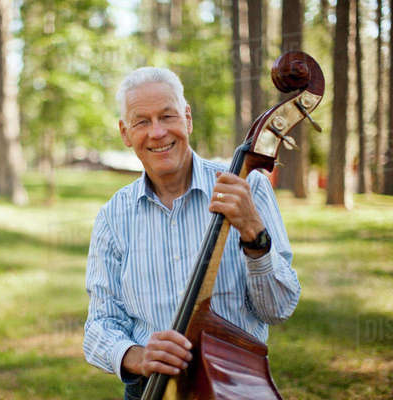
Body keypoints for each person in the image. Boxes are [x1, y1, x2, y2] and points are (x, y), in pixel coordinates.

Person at [82, 67, 301, 400]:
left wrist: (253, 233)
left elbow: (278, 308)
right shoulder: (113, 216)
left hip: (235, 384)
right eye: (142, 122)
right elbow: (99, 325)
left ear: (187, 119)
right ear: (125, 134)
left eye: (167, 116)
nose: (157, 132)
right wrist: (138, 357)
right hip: (152, 389)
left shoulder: (245, 186)